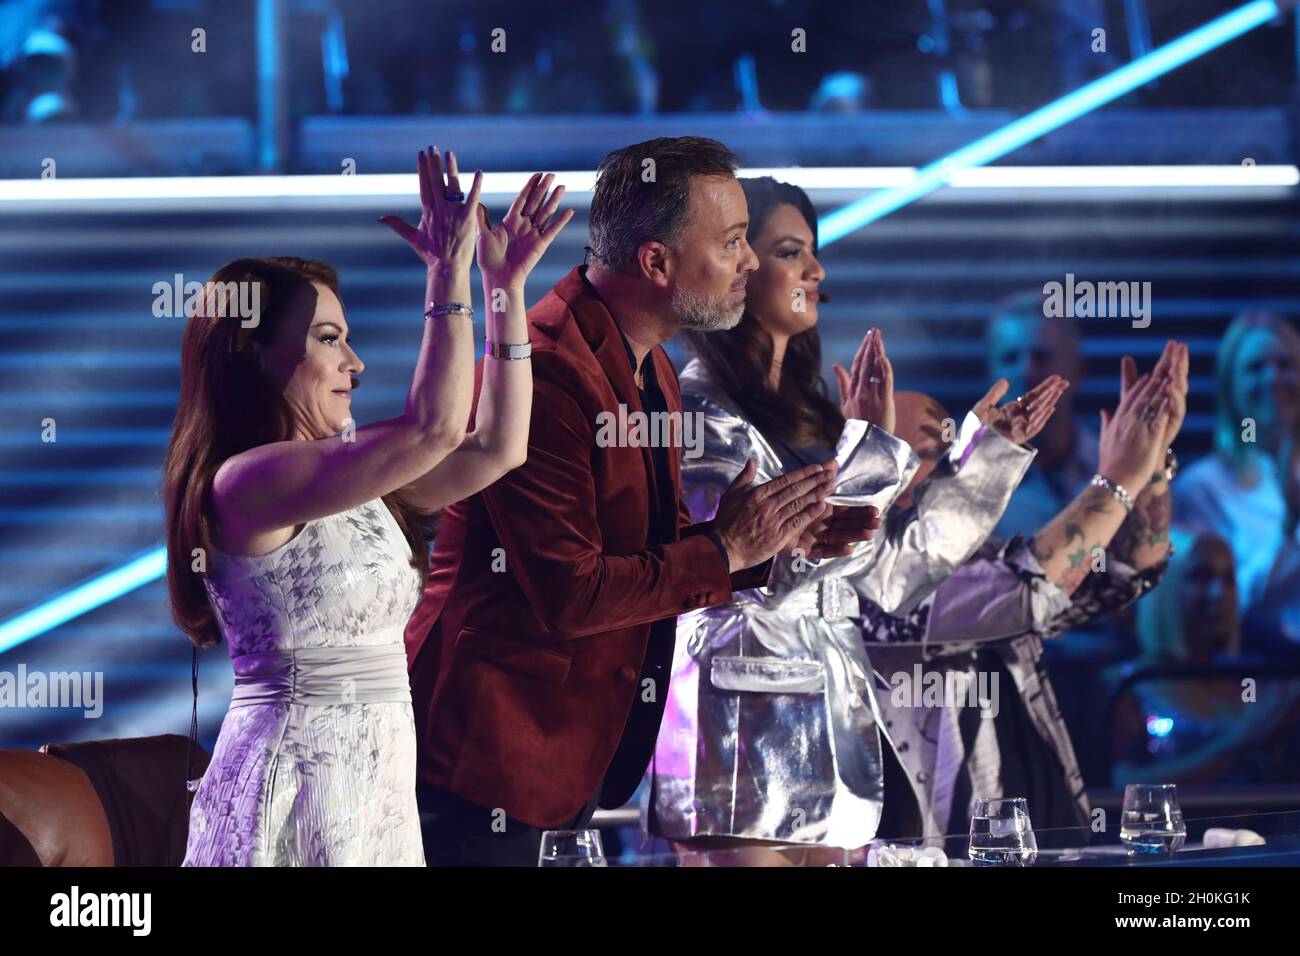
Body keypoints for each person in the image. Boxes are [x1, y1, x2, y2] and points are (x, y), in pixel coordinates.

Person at [403, 138, 870, 867]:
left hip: (560, 756)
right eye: (734, 241)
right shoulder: (554, 372)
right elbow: (570, 591)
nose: (748, 263)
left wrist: (770, 545)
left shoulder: (649, 357)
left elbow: (651, 551)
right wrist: (727, 549)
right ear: (656, 263)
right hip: (483, 759)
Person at [647, 176, 1068, 862]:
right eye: (789, 251)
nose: (814, 270)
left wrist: (985, 461)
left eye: (813, 252)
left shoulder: (815, 417)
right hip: (737, 740)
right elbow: (763, 567)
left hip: (832, 748)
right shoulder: (696, 411)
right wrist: (872, 449)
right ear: (738, 266)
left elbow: (893, 575)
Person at [167, 148, 570, 865]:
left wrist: (502, 289)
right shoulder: (244, 482)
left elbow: (496, 447)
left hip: (377, 783)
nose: (354, 363)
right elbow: (433, 426)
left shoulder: (356, 487)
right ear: (254, 355)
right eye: (328, 340)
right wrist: (446, 275)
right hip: (292, 779)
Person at [862, 341, 1185, 843]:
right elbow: (1033, 584)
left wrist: (1154, 464)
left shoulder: (980, 558)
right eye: (924, 456)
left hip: (1035, 842)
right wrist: (1122, 474)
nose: (951, 470)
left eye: (950, 452)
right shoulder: (868, 582)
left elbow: (1123, 572)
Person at [1108, 529, 1300, 787]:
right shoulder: (1130, 685)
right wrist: (1236, 743)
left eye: (1228, 579)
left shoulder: (1249, 681)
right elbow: (1124, 788)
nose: (1218, 594)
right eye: (1201, 577)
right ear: (1167, 587)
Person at [1174, 311, 1300, 658]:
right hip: (1256, 679)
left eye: (1286, 363)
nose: (1273, 377)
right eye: (1255, 367)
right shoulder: (1204, 488)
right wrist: (1289, 525)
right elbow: (1222, 609)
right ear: (1231, 386)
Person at [987, 290, 1095, 541]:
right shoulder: (957, 479)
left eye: (1041, 357)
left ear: (1078, 371)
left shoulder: (1114, 469)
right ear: (991, 375)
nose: (1026, 372)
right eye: (1010, 358)